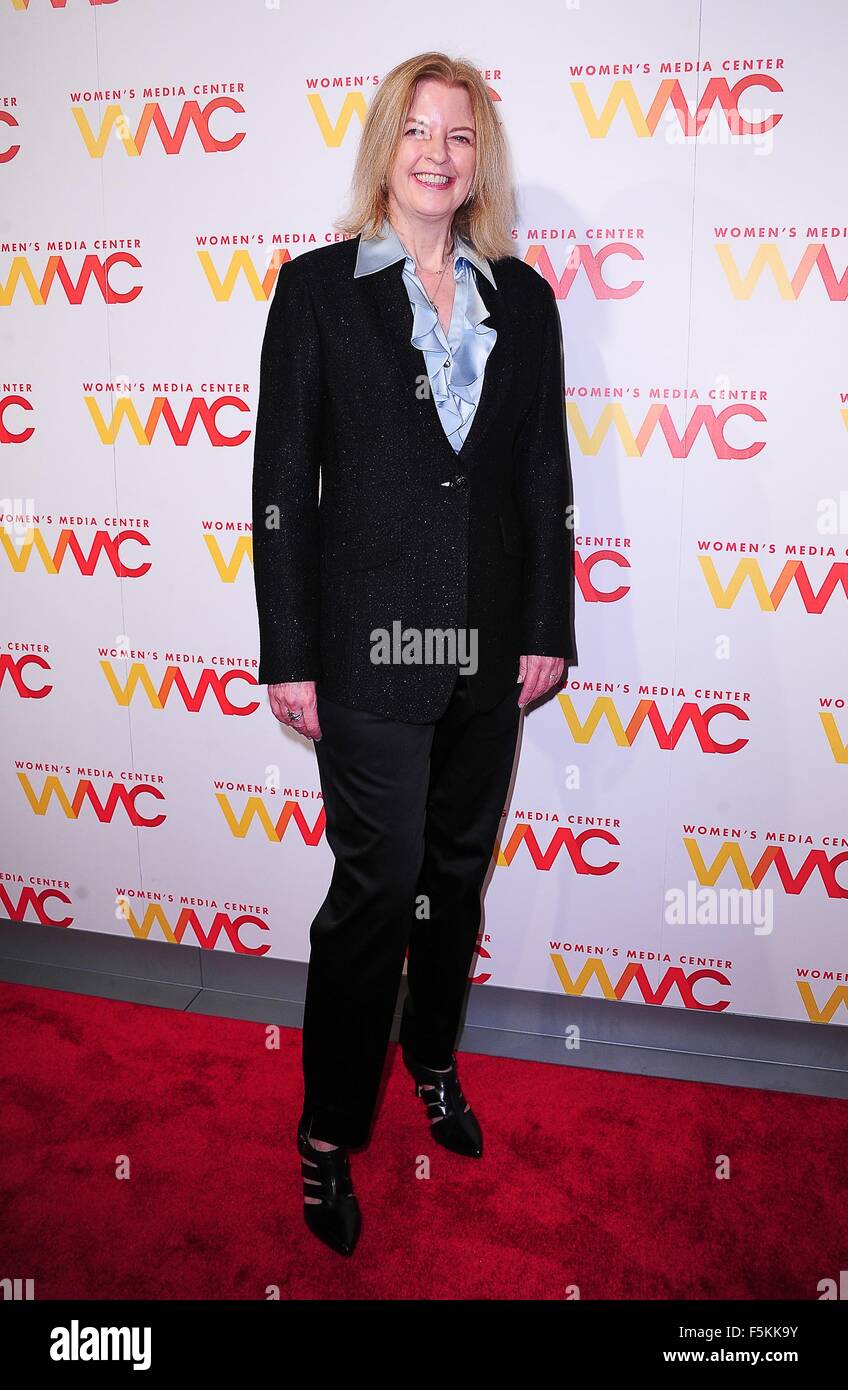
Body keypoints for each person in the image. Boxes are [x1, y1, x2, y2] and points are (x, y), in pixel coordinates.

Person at [251, 50, 576, 1257]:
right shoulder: (317, 292)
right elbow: (282, 486)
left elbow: (540, 475)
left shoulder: (523, 299)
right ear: (383, 149)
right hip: (369, 648)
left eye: (458, 135)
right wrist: (290, 652)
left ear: (475, 158)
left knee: (453, 871)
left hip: (487, 649)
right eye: (416, 132)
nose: (437, 154)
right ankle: (327, 1132)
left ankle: (430, 1057)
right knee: (375, 890)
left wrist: (544, 625)